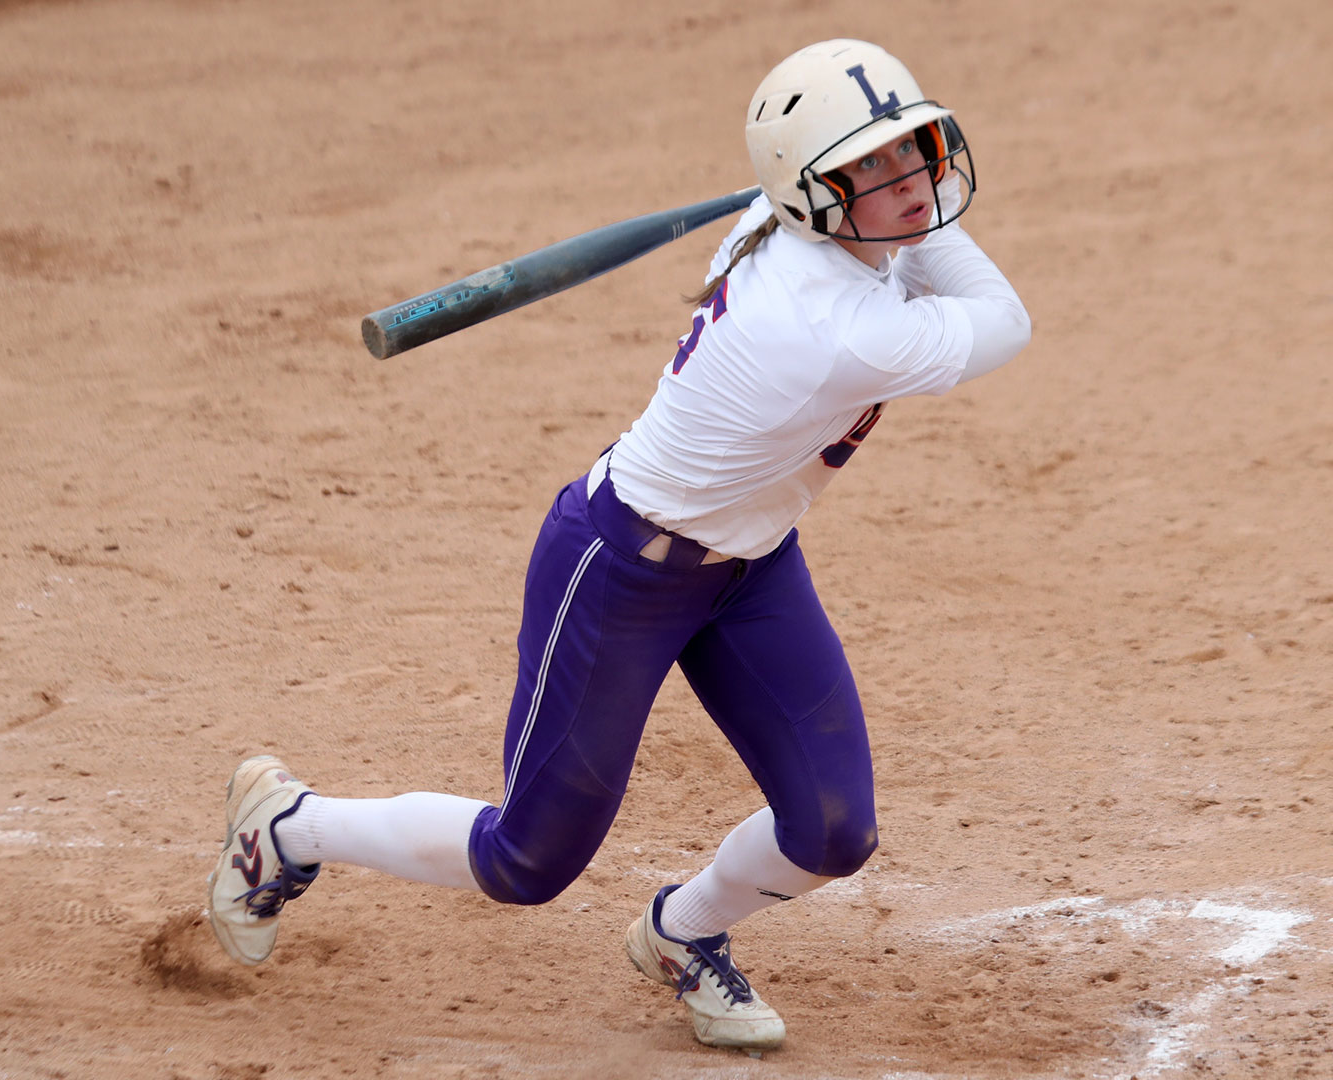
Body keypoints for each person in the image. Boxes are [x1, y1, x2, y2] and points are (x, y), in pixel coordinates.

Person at [207, 38, 1031, 1054]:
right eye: (875, 166)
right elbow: (1002, 317)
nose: (914, 181)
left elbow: (902, 241)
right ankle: (287, 826)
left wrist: (859, 185)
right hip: (618, 571)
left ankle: (682, 932)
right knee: (528, 861)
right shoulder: (833, 326)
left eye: (915, 149)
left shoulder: (801, 234)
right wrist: (892, 207)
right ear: (809, 193)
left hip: (753, 569)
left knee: (832, 833)